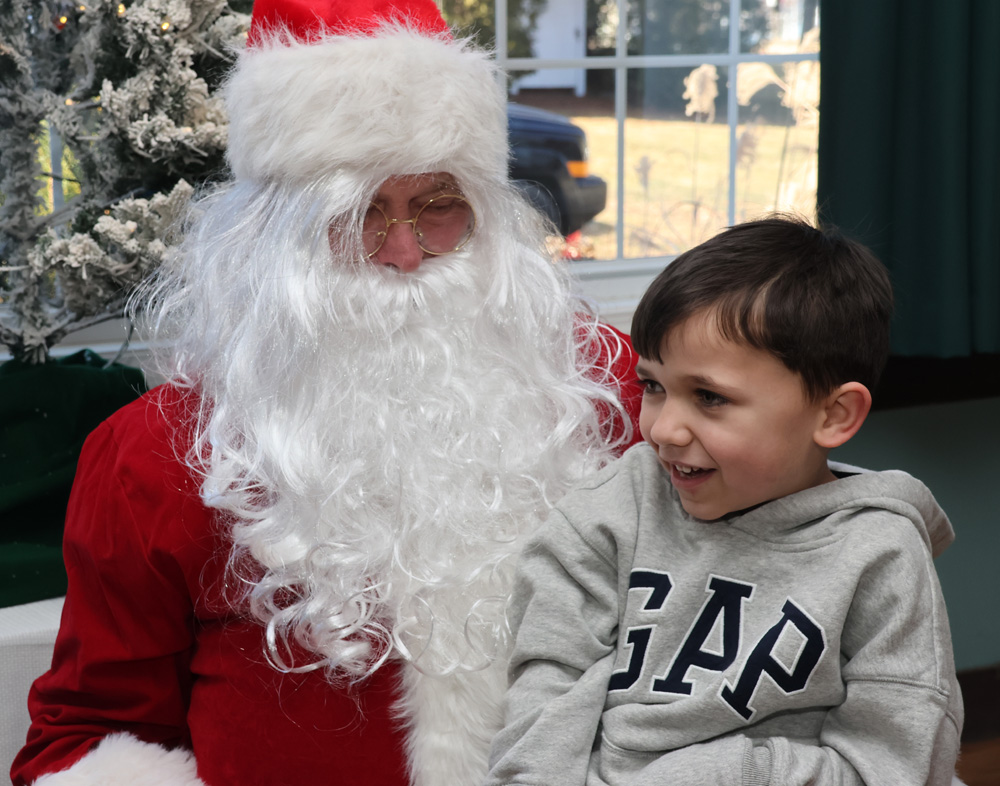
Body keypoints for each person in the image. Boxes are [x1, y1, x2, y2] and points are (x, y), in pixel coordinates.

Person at [10, 0, 643, 784]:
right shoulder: (154, 457)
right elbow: (85, 734)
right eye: (360, 214)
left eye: (439, 205)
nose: (405, 253)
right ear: (274, 236)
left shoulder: (601, 392)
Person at [486, 216, 964, 786]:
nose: (663, 429)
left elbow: (896, 765)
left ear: (834, 415)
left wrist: (726, 774)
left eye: (709, 397)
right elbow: (547, 694)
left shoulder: (879, 554)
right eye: (654, 387)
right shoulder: (613, 509)